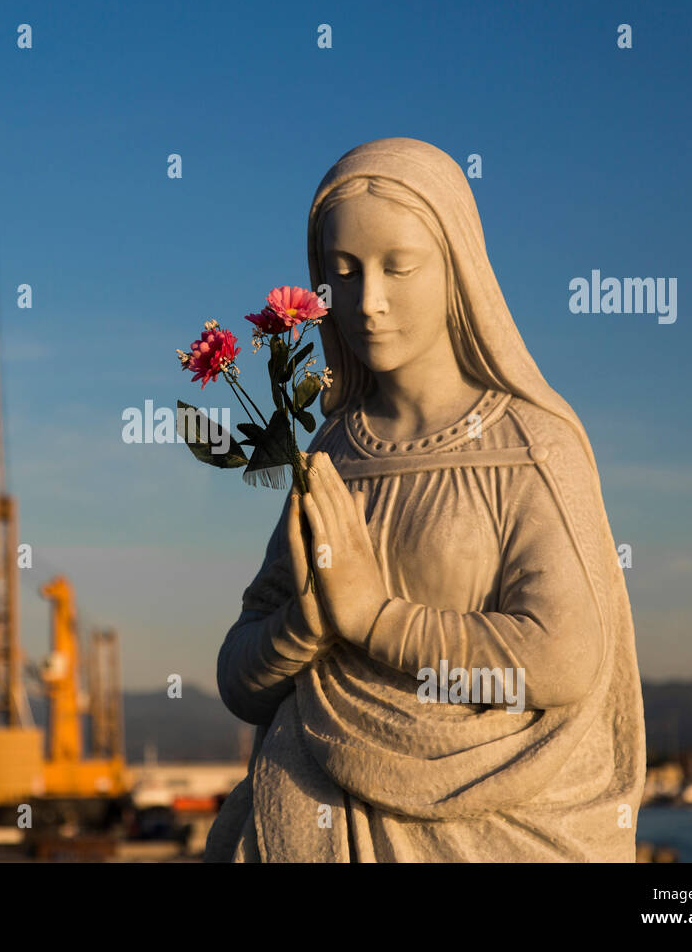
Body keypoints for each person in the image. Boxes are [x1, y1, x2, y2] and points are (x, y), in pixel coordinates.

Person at [205, 138, 645, 862]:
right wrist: (306, 623)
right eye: (342, 274)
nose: (368, 301)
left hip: (494, 829)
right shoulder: (332, 455)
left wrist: (375, 620)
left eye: (397, 267)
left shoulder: (530, 447)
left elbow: (563, 658)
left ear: (456, 269)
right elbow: (240, 678)